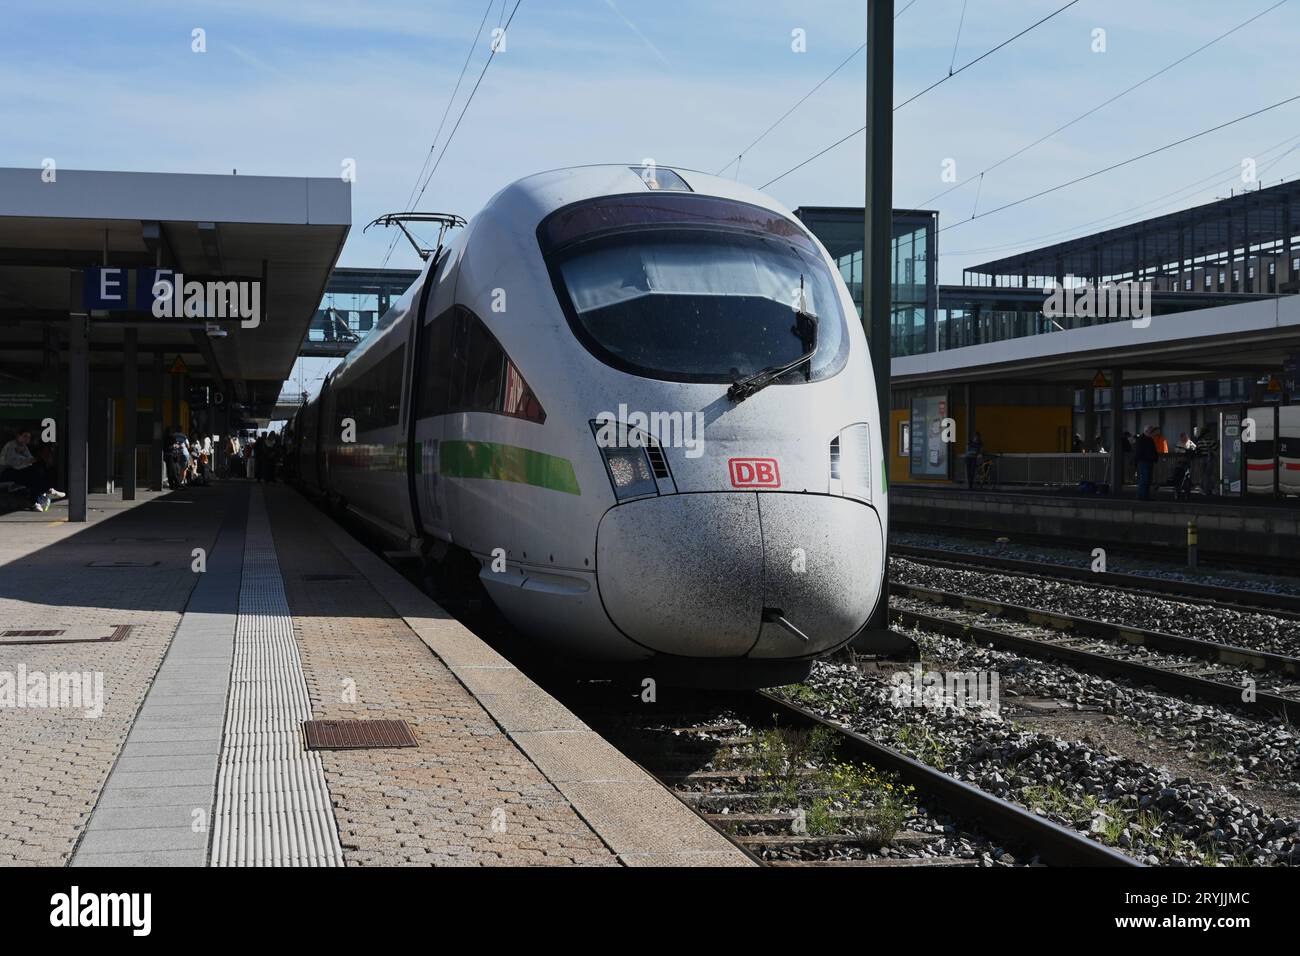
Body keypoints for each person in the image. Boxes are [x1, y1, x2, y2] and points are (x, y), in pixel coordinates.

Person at [0, 427, 65, 512]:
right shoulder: (12, 445)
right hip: (6, 472)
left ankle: (36, 501)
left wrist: (29, 459)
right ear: (18, 436)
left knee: (34, 475)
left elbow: (30, 459)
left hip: (17, 471)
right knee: (32, 474)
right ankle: (46, 491)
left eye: (28, 437)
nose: (27, 439)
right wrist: (26, 460)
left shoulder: (24, 447)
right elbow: (12, 462)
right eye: (25, 436)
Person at [1135, 425, 1158, 500]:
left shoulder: (1148, 439)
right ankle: (1142, 496)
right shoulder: (1142, 440)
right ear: (1147, 432)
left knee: (1147, 479)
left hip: (1147, 461)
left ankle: (1144, 495)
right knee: (1144, 479)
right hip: (1144, 461)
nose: (1153, 433)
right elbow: (1142, 452)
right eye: (1151, 432)